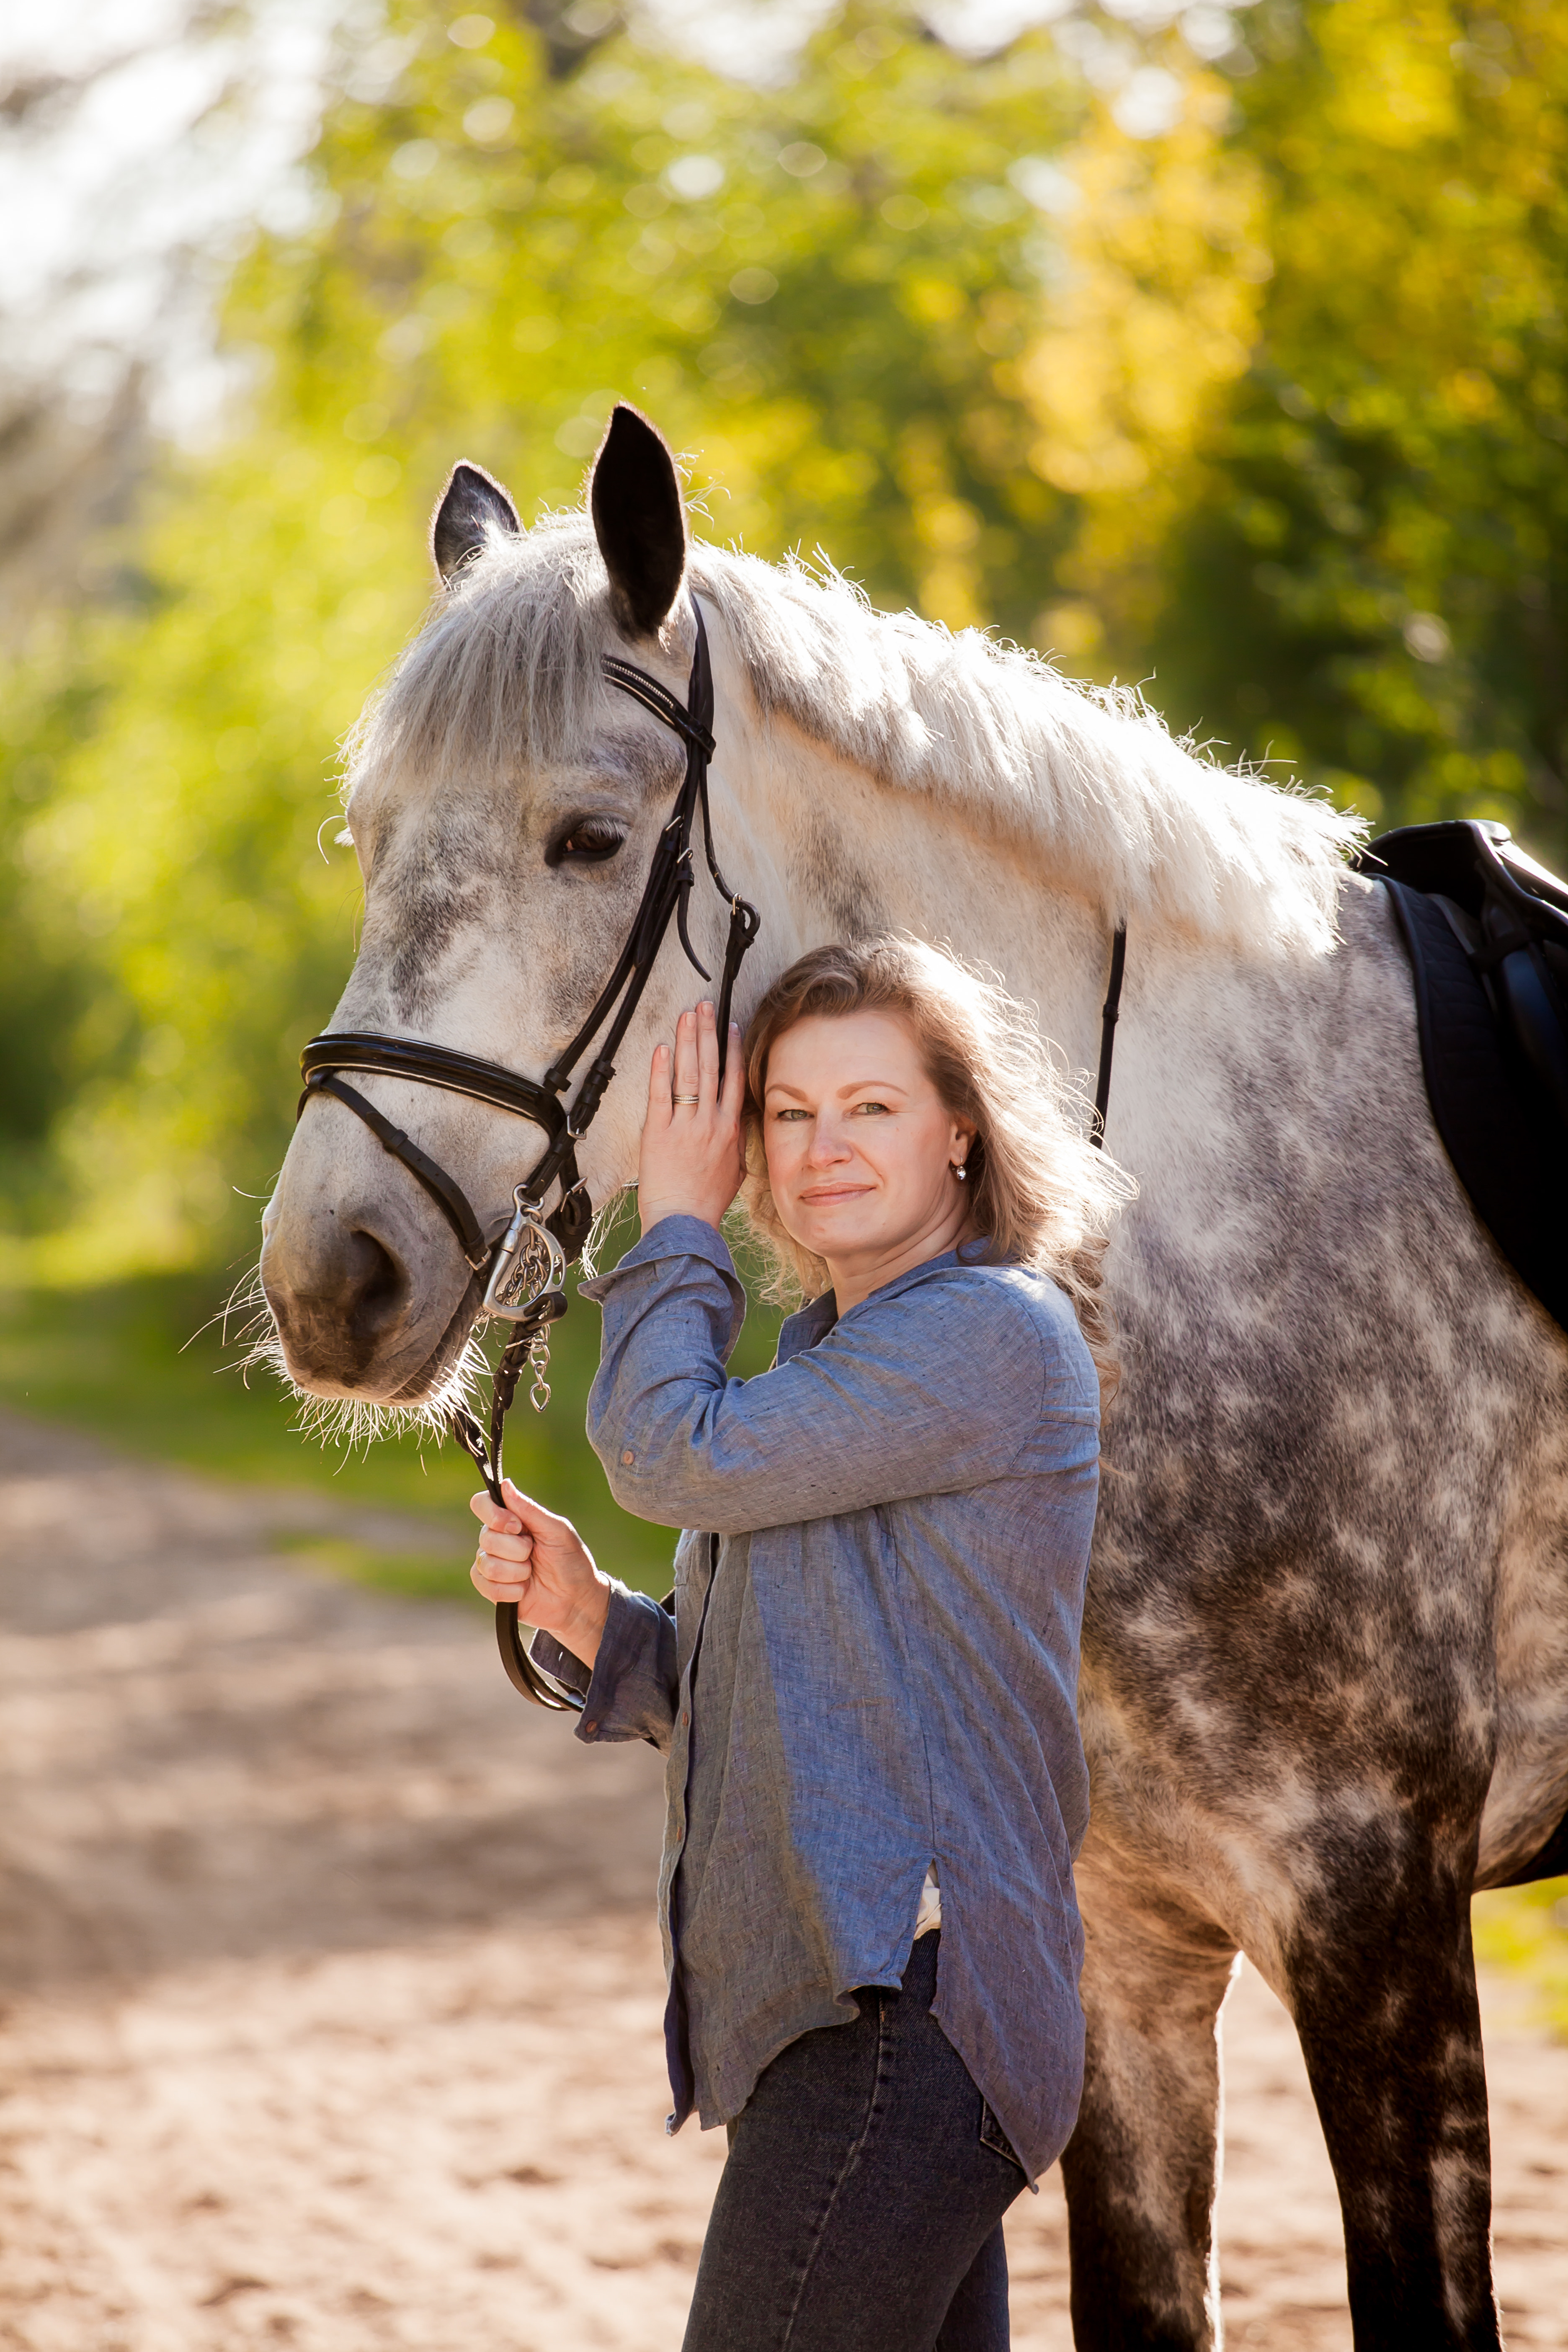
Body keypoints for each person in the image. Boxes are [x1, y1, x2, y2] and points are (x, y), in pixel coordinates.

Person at [470, 938, 1133, 2352]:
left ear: (962, 1129)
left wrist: (680, 1221)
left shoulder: (986, 1335)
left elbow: (664, 1449)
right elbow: (792, 1699)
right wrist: (594, 1619)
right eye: (789, 1112)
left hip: (902, 2019)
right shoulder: (827, 1359)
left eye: (873, 1107)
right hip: (846, 2017)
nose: (824, 1146)